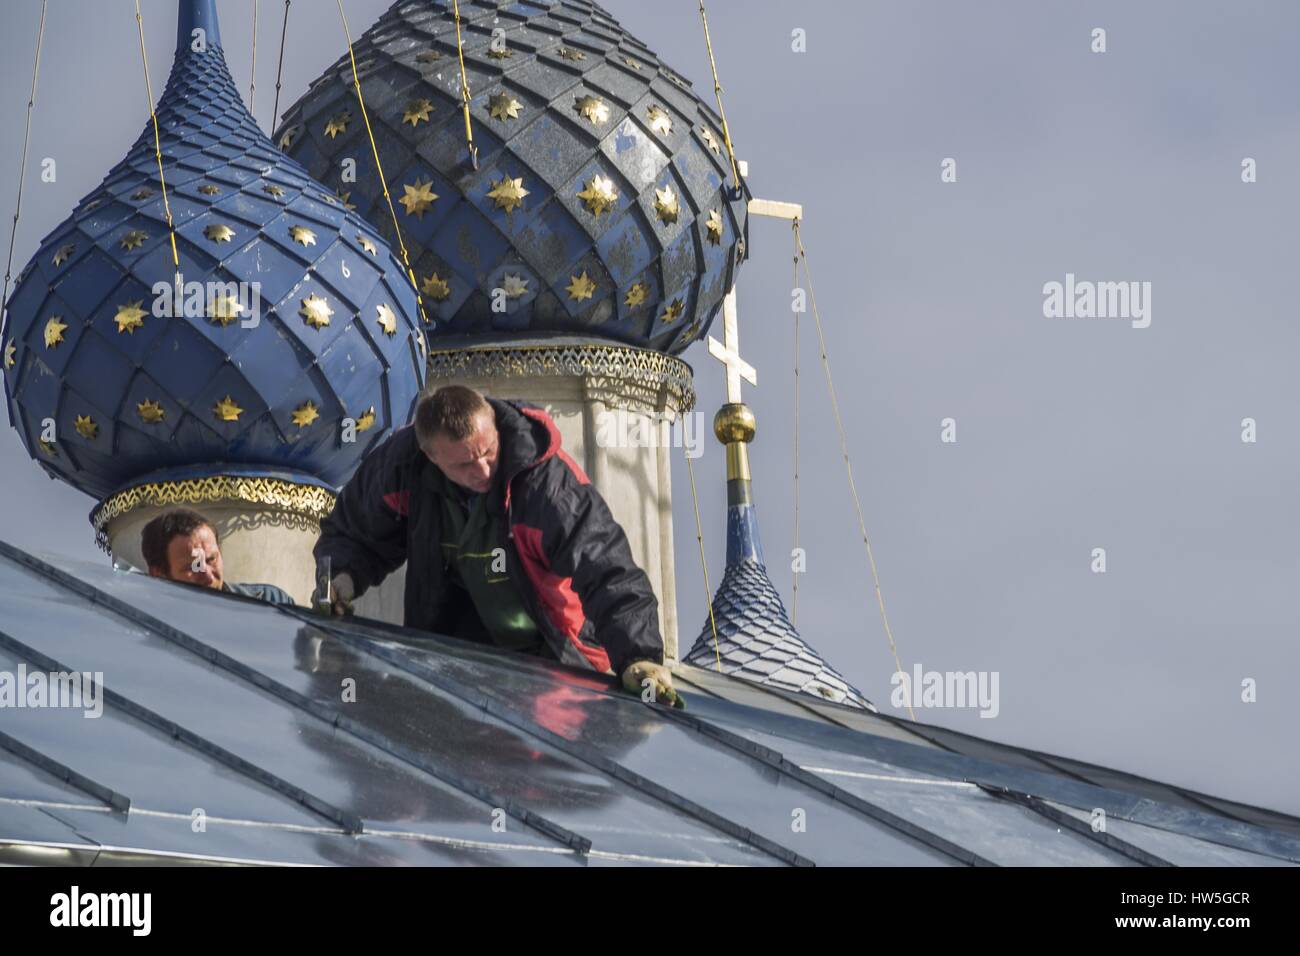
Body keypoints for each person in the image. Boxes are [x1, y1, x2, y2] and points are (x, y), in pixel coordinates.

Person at [313, 385, 680, 706]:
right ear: (431, 456)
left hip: (553, 652)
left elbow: (605, 564)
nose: (484, 471)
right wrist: (340, 578)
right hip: (456, 646)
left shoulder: (545, 483)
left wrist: (638, 655)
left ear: (494, 427)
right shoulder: (402, 466)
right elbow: (354, 529)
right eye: (465, 464)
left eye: (488, 452)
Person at [141, 508, 296, 606]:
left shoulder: (273, 603)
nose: (207, 575)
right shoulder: (141, 633)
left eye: (211, 559)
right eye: (192, 566)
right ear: (159, 574)